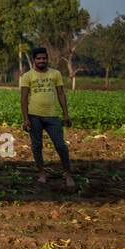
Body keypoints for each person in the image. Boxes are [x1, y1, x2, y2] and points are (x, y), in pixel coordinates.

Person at [19, 47, 76, 189]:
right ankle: (42, 174)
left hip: (52, 117)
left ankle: (68, 174)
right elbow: (24, 98)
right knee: (37, 146)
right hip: (34, 116)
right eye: (39, 58)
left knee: (61, 146)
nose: (42, 61)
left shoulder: (55, 74)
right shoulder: (27, 76)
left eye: (44, 58)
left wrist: (66, 114)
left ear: (47, 59)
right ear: (34, 60)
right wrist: (25, 119)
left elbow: (61, 94)